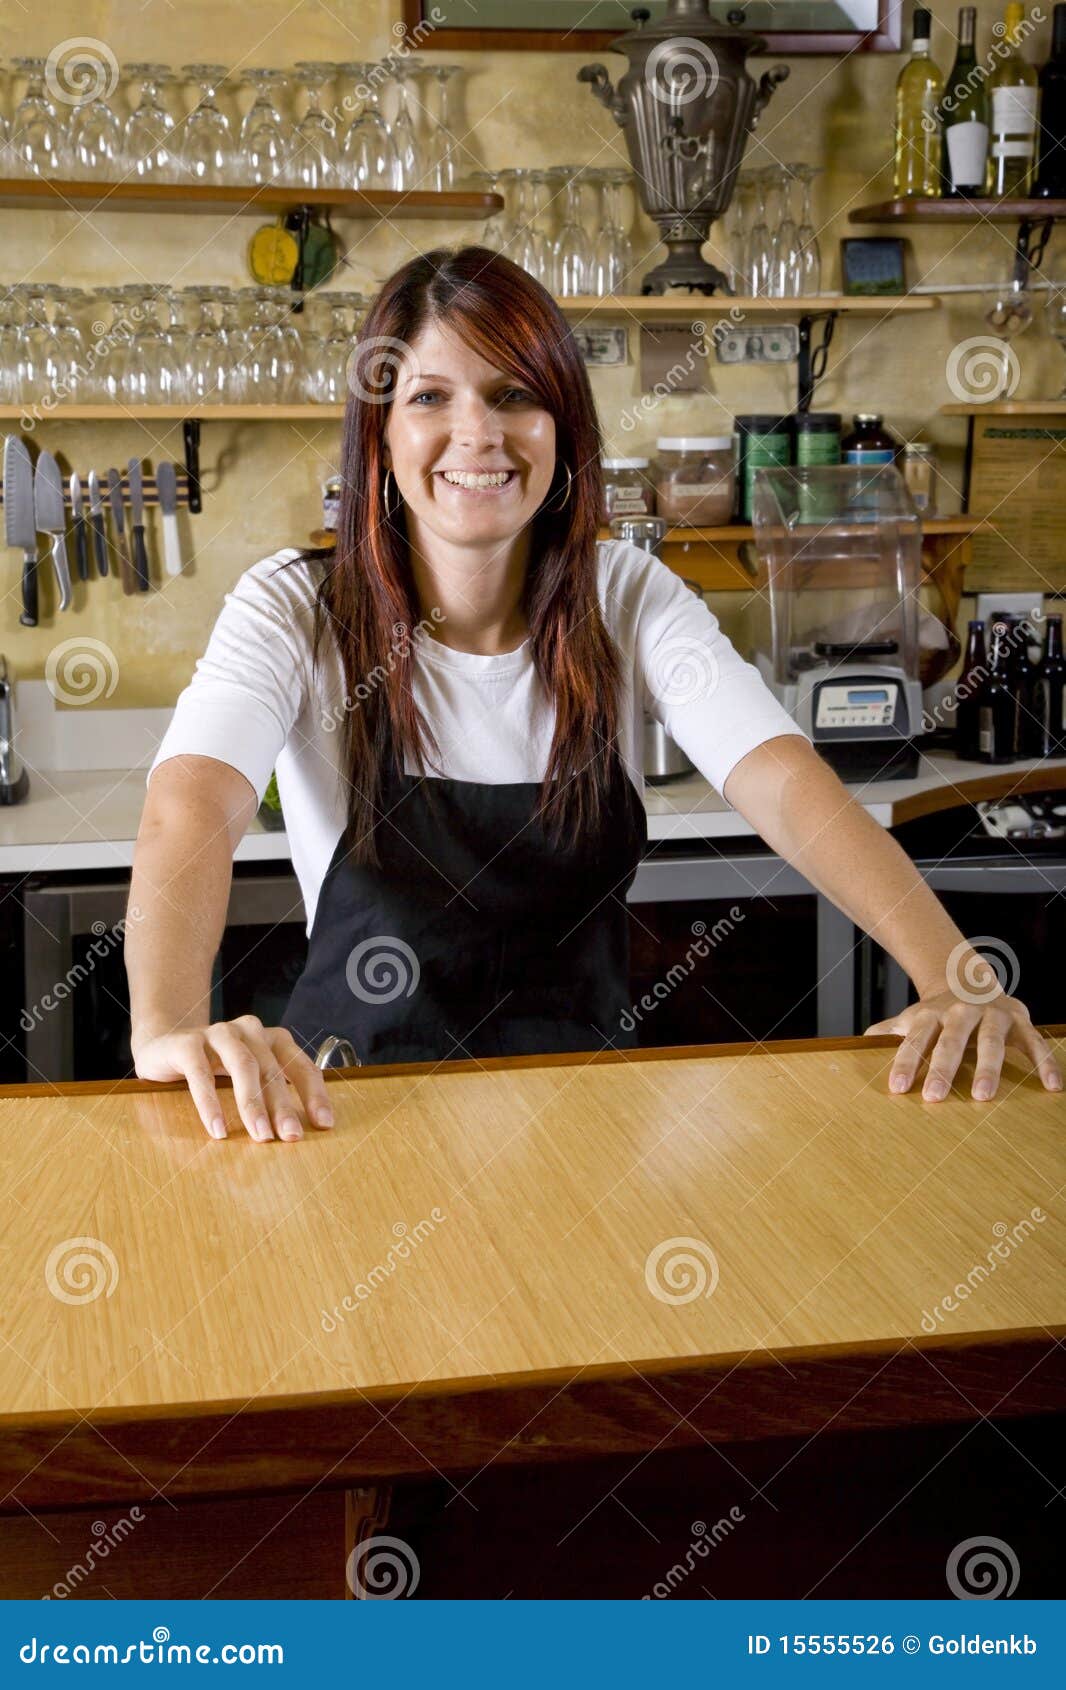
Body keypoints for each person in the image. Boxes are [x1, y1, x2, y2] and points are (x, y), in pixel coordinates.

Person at [126, 246, 1061, 1141]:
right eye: (430, 398)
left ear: (564, 426)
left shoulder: (625, 594)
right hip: (353, 1110)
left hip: (588, 1116)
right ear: (379, 436)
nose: (479, 435)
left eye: (515, 394)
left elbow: (779, 779)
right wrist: (165, 1022)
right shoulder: (297, 606)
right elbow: (194, 802)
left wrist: (954, 974)